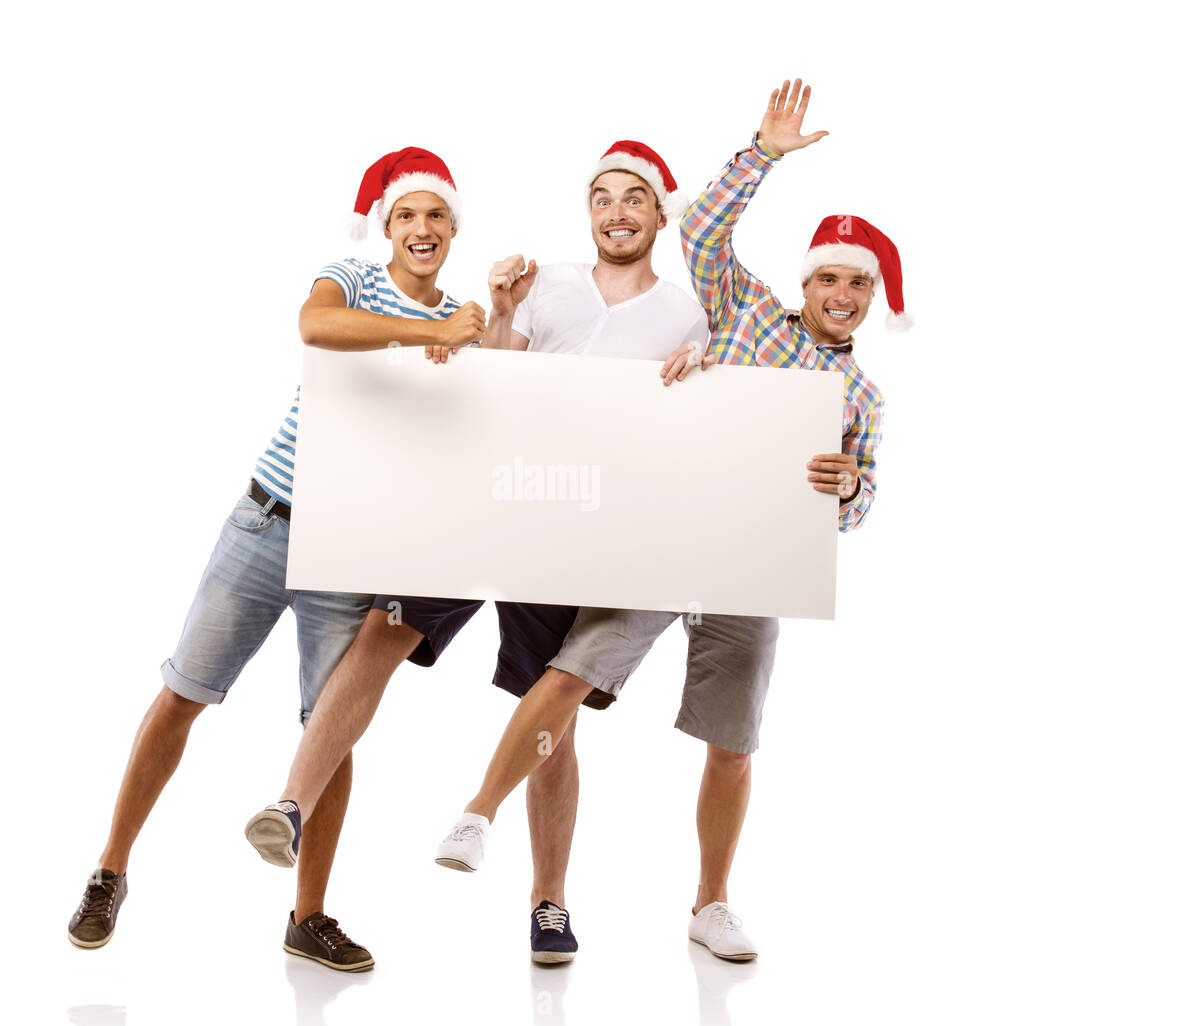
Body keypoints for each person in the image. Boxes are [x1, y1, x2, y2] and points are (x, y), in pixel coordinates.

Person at [434, 79, 906, 964]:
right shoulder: (745, 309)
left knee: (732, 741)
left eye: (856, 284)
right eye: (829, 278)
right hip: (666, 534)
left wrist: (844, 491)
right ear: (807, 284)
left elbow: (864, 500)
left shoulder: (864, 397)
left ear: (872, 299)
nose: (841, 293)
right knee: (572, 673)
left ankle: (712, 902)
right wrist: (763, 151)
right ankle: (478, 813)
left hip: (751, 561)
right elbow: (704, 230)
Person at [246, 139, 707, 964]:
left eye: (633, 197)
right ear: (589, 211)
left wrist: (705, 365)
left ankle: (549, 904)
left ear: (658, 213)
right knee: (384, 630)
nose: (616, 211)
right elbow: (493, 378)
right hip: (489, 495)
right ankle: (288, 803)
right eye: (602, 197)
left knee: (551, 712)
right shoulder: (545, 282)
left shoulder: (683, 312)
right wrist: (497, 310)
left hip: (576, 525)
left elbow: (685, 423)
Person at [68, 147, 485, 971]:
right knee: (184, 692)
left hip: (349, 547)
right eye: (407, 215)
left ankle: (309, 915)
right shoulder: (352, 279)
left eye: (437, 214)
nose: (423, 227)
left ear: (455, 226)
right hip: (268, 522)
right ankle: (110, 869)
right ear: (387, 226)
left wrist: (474, 326)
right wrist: (427, 331)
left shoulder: (466, 318)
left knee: (327, 734)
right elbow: (316, 326)